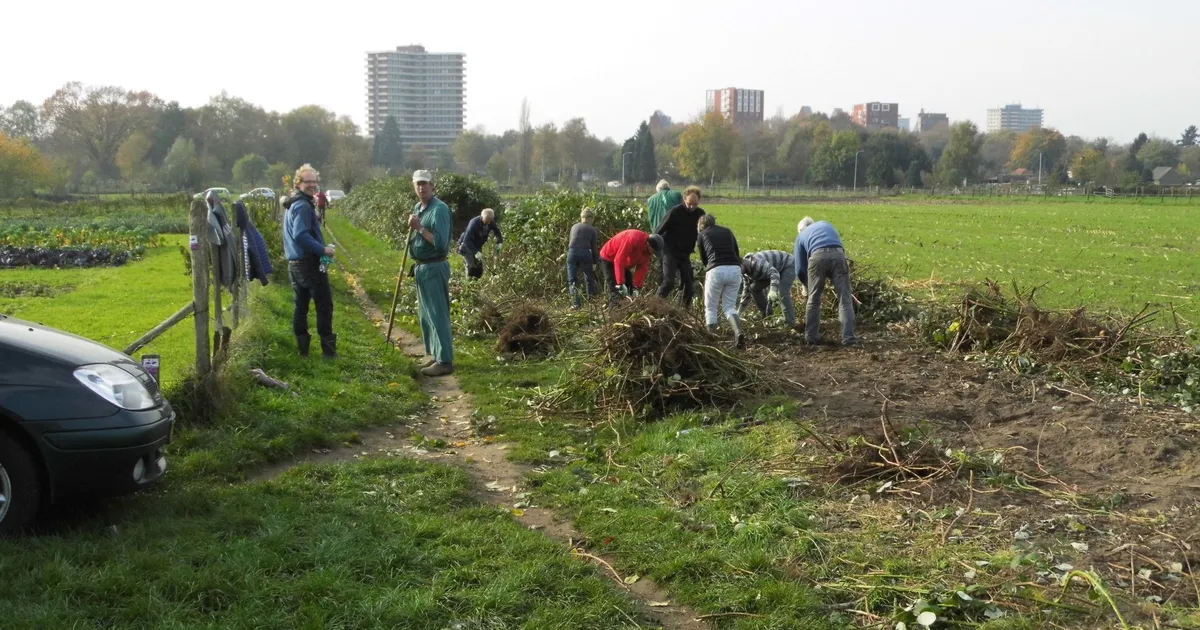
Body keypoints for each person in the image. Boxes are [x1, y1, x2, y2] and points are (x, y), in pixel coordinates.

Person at [282, 164, 337, 358]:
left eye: (314, 181)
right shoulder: (303, 206)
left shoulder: (292, 202)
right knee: (324, 305)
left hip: (294, 263)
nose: (312, 185)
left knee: (301, 306)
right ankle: (329, 352)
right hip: (309, 263)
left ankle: (303, 350)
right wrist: (323, 250)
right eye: (308, 182)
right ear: (298, 183)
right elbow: (300, 235)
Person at [409, 170, 455, 376]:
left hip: (435, 267)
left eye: (425, 183)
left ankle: (445, 361)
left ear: (432, 186)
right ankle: (436, 355)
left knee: (438, 314)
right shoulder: (418, 207)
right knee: (427, 316)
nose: (422, 187)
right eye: (418, 184)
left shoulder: (440, 209)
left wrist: (419, 228)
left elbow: (440, 243)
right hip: (422, 268)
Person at [794, 216, 857, 346]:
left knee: (814, 299)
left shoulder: (801, 236)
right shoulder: (826, 224)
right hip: (839, 255)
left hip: (817, 257)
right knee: (844, 298)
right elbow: (839, 244)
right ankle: (849, 339)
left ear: (801, 230)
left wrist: (807, 286)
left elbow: (800, 269)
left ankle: (811, 337)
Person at [696, 214, 745, 347]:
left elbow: (704, 258)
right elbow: (736, 252)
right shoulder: (727, 231)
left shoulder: (702, 235)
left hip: (716, 270)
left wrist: (708, 269)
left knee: (711, 307)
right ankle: (738, 332)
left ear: (701, 225)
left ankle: (711, 341)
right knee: (729, 307)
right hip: (735, 270)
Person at [655, 185, 706, 308]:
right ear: (684, 199)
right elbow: (658, 231)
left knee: (689, 285)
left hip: (685, 254)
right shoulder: (675, 212)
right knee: (669, 282)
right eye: (689, 204)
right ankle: (654, 305)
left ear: (699, 201)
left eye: (695, 204)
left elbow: (704, 235)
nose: (692, 207)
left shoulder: (700, 214)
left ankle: (684, 311)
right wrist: (654, 247)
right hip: (670, 251)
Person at [599, 229, 663, 306]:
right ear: (649, 245)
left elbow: (642, 269)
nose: (653, 253)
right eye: (653, 251)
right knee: (616, 291)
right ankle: (613, 310)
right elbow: (619, 260)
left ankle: (627, 308)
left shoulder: (647, 253)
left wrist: (637, 287)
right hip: (608, 258)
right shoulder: (633, 239)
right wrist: (620, 283)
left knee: (630, 289)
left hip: (623, 264)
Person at [740, 250, 797, 327]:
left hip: (787, 264)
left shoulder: (757, 263)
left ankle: (790, 323)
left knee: (782, 292)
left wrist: (773, 290)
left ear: (742, 263)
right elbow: (746, 292)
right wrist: (739, 312)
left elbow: (774, 273)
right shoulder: (745, 273)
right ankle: (768, 315)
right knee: (753, 288)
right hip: (774, 270)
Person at [566, 207, 600, 309]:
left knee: (572, 279)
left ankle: (576, 304)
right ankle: (592, 302)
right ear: (590, 218)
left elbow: (571, 241)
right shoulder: (592, 229)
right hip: (585, 253)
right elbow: (594, 248)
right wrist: (595, 262)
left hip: (572, 253)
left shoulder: (574, 226)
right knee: (589, 278)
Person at [457, 207, 503, 280]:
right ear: (482, 217)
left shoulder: (490, 222)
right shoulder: (474, 223)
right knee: (472, 266)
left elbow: (497, 231)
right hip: (466, 246)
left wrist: (499, 242)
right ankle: (470, 282)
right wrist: (476, 252)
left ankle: (478, 282)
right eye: (487, 221)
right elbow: (466, 241)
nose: (489, 223)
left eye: (490, 221)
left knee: (479, 265)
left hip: (477, 245)